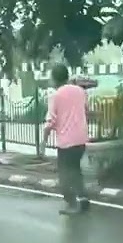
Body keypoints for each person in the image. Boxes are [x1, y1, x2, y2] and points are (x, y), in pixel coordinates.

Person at [43, 63, 90, 215]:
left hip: (66, 142)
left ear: (55, 79)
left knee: (65, 175)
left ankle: (72, 204)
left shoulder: (55, 95)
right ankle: (83, 199)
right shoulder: (80, 91)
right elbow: (86, 110)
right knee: (76, 170)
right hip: (81, 139)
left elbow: (50, 121)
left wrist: (44, 141)